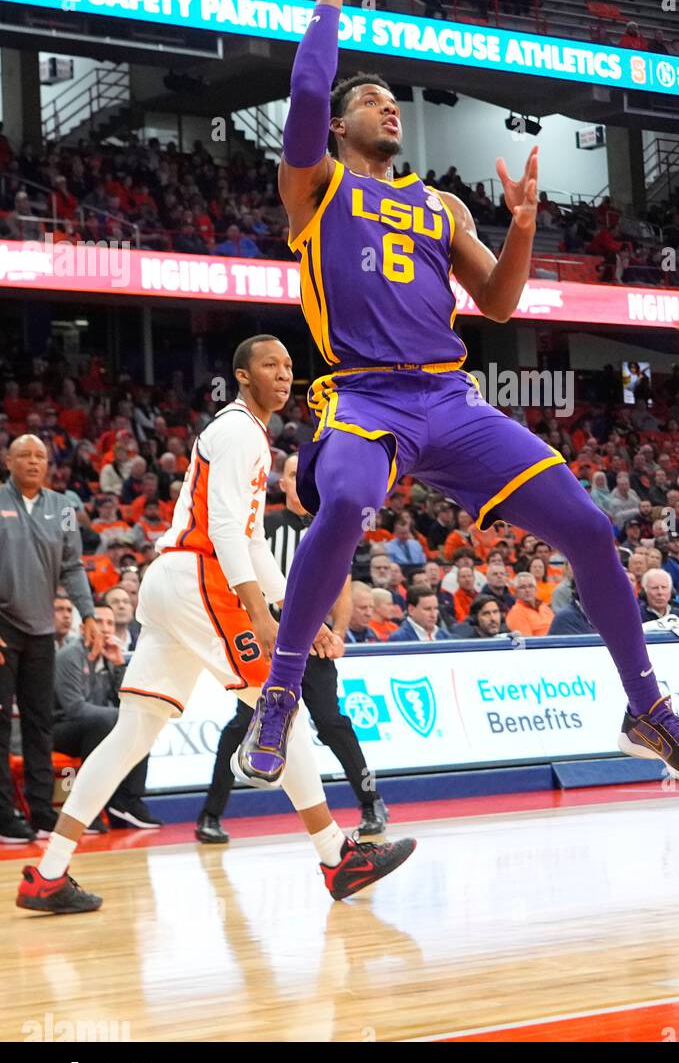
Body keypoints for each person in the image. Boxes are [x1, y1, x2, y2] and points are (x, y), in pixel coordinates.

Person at [234, 0, 679, 791]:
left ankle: (645, 705)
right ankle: (278, 696)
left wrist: (526, 224)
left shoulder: (441, 209)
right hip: (361, 397)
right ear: (341, 127)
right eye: (371, 103)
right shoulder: (315, 188)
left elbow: (498, 301)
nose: (388, 109)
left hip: (449, 402)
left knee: (589, 529)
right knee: (342, 502)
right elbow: (306, 98)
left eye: (392, 104)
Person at [17, 336, 415, 914]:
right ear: (243, 376)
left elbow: (252, 540)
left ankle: (48, 873)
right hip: (199, 574)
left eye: (287, 367)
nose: (283, 375)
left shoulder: (250, 433)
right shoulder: (237, 431)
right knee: (280, 706)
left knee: (135, 730)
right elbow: (228, 532)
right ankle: (336, 856)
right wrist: (261, 613)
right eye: (269, 366)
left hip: (173, 580)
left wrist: (294, 610)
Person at [196, 450, 389, 845]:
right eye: (291, 474)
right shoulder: (261, 528)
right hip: (267, 641)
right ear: (281, 483)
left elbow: (342, 588)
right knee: (240, 727)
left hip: (313, 644)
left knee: (332, 724)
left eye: (305, 474)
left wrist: (336, 632)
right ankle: (209, 817)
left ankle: (372, 804)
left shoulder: (329, 528)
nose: (298, 480)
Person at [0, 435, 102, 844]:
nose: (32, 461)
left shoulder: (62, 508)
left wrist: (90, 614)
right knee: (2, 725)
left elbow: (73, 567)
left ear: (49, 464)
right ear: (8, 461)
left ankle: (42, 811)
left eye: (40, 456)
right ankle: (5, 815)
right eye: (24, 455)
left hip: (41, 629)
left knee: (41, 724)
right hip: (4, 627)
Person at [53, 602, 159, 830]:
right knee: (108, 721)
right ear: (84, 628)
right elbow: (73, 708)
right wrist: (119, 716)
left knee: (142, 720)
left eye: (110, 623)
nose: (106, 628)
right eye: (99, 621)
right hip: (60, 728)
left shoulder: (110, 655)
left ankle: (127, 801)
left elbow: (127, 700)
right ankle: (85, 812)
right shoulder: (69, 655)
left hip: (97, 726)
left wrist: (120, 665)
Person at [387, 583, 451, 642]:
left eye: (435, 608)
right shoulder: (399, 638)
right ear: (411, 610)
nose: (433, 614)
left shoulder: (444, 636)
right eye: (427, 609)